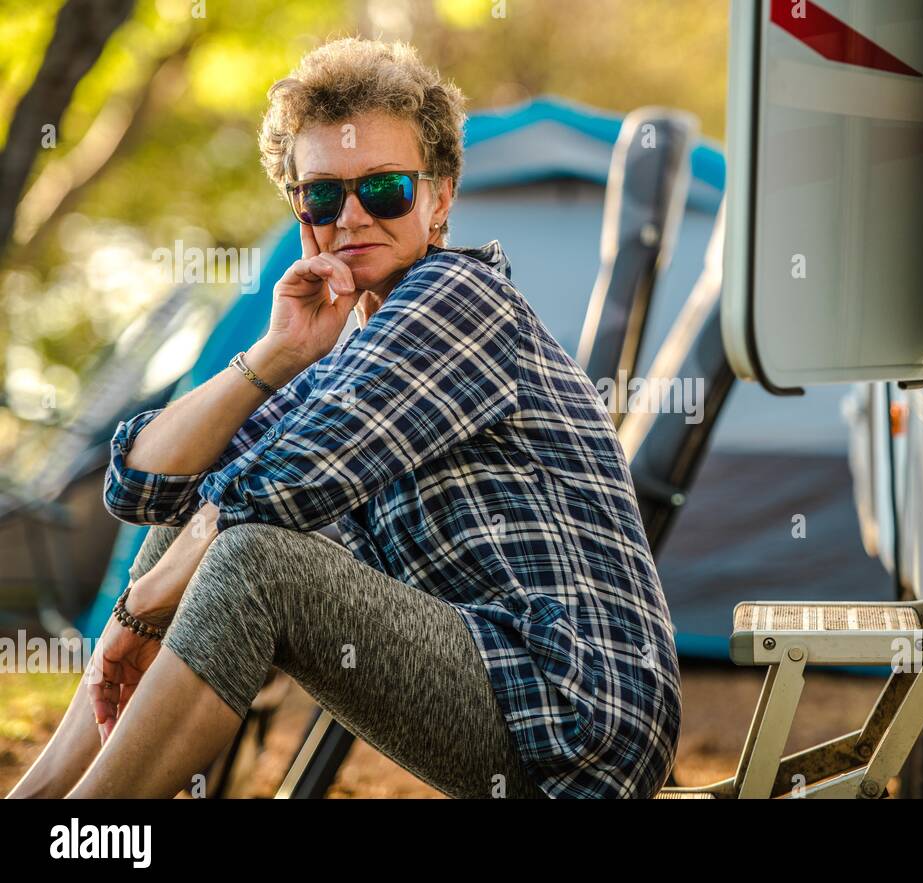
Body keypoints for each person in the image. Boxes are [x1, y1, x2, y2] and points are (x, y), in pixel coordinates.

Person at [7, 37, 681, 800]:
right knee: (202, 521)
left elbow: (286, 487)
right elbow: (144, 488)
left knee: (248, 556)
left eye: (385, 189)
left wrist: (141, 604)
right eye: (323, 197)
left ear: (442, 198)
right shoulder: (344, 351)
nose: (352, 216)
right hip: (494, 688)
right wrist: (275, 353)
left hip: (576, 706)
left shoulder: (460, 299)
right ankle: (36, 802)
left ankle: (83, 833)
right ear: (299, 211)